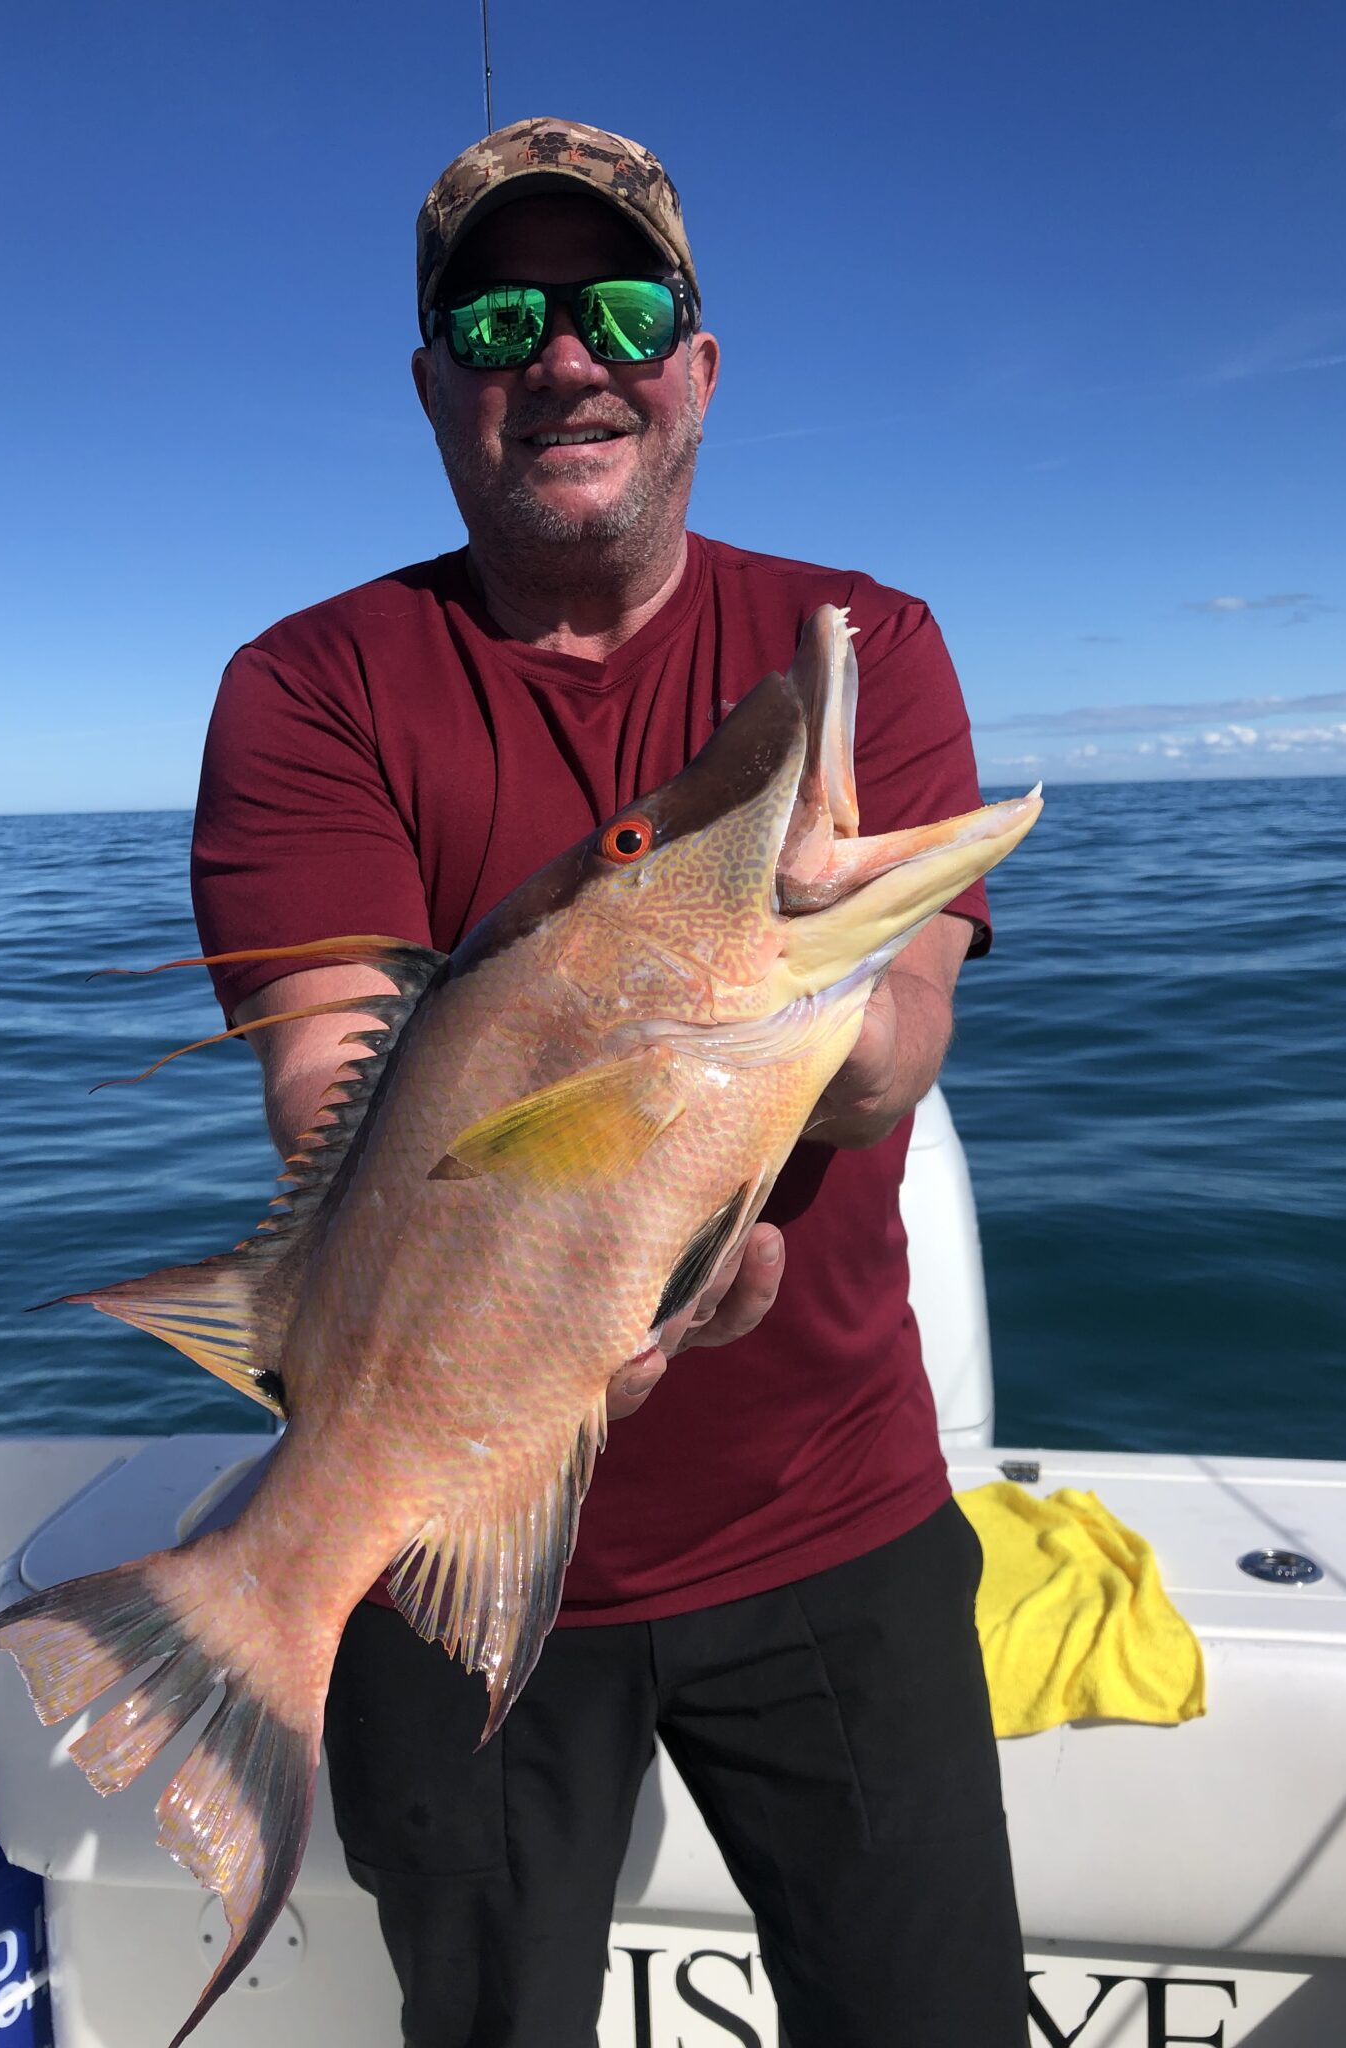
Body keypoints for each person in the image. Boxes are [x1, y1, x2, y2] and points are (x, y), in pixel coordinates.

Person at [191, 117, 1027, 2048]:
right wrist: (554, 1293)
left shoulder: (854, 651)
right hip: (434, 1561)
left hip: (835, 1516)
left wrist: (729, 1064)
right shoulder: (308, 686)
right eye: (498, 319)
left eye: (622, 305)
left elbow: (898, 1037)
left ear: (699, 368)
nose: (565, 357)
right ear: (431, 390)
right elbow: (335, 1067)